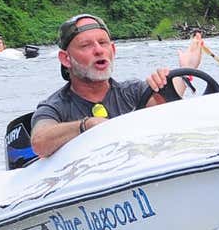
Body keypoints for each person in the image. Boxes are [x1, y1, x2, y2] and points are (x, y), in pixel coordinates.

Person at [29, 14, 200, 158]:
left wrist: (185, 71)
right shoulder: (54, 106)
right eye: (86, 45)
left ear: (113, 50)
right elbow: (39, 142)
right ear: (66, 59)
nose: (98, 50)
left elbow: (170, 109)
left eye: (103, 43)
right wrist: (86, 126)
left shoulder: (134, 91)